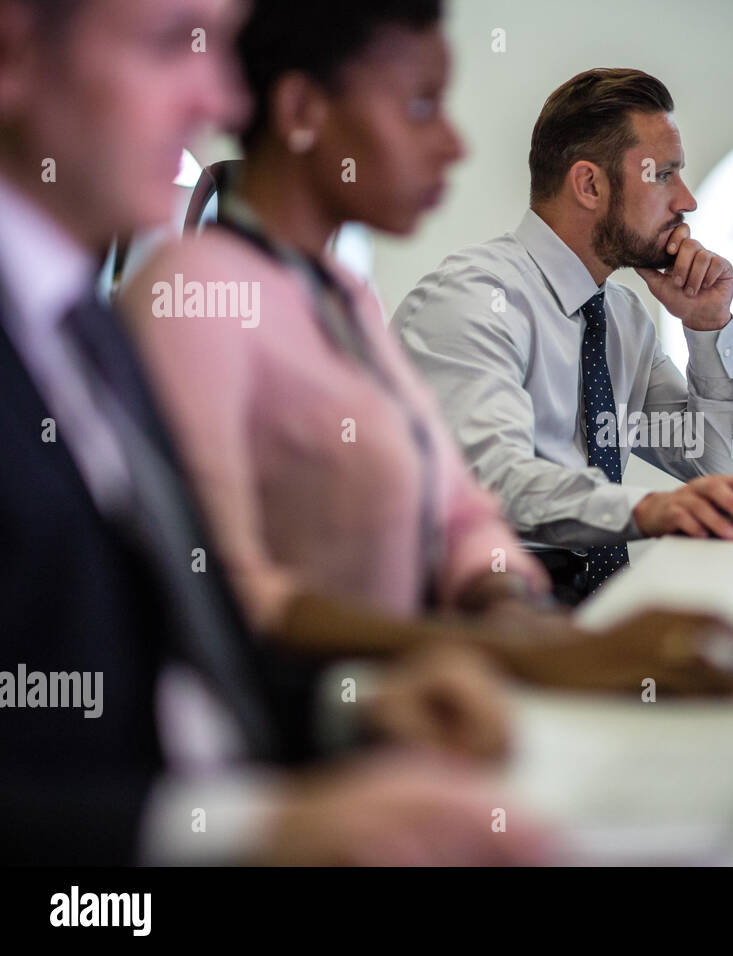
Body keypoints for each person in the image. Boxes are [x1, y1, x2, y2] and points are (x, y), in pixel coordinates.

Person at [0, 0, 545, 865]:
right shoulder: (181, 298)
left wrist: (359, 706)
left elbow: (174, 662)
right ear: (14, 48)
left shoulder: (83, 329)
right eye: (165, 45)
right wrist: (253, 829)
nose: (219, 103)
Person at [118, 1, 733, 695]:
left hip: (453, 653)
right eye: (421, 106)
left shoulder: (343, 296)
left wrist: (526, 621)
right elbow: (223, 594)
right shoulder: (201, 296)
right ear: (304, 111)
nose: (454, 144)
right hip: (325, 718)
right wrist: (537, 645)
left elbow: (460, 512)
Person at [392, 68, 733, 603]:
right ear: (590, 185)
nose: (686, 200)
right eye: (662, 175)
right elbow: (493, 482)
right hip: (489, 601)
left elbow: (711, 462)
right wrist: (642, 510)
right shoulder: (474, 300)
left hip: (589, 596)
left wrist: (706, 330)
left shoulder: (619, 315)